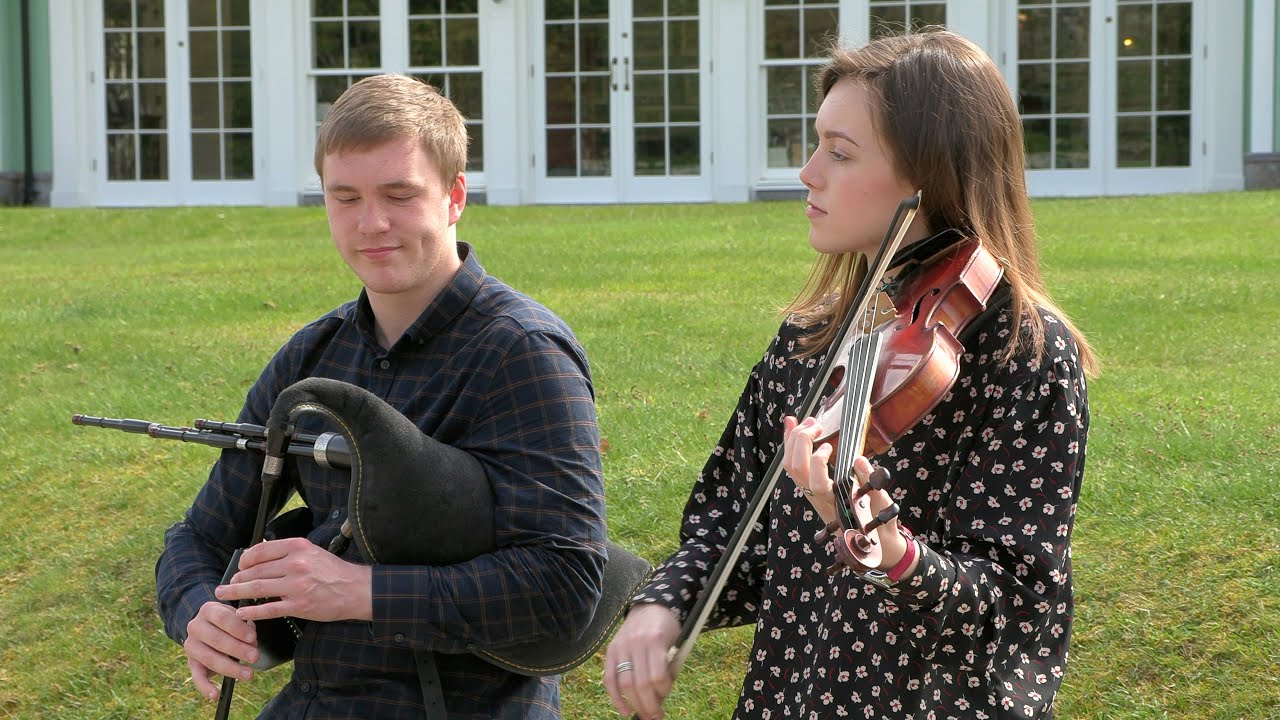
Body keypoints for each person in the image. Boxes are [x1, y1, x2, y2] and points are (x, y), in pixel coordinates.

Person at [604, 29, 1097, 720]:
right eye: (816, 145)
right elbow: (733, 517)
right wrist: (664, 603)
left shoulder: (1023, 355)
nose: (808, 172)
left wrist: (889, 553)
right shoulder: (815, 334)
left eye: (839, 154)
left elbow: (1014, 608)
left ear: (932, 174)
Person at [155, 74, 607, 719]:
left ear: (454, 196)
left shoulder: (523, 353)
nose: (372, 223)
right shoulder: (311, 357)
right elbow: (197, 535)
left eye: (400, 194)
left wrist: (358, 592)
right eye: (346, 198)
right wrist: (195, 609)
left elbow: (566, 588)